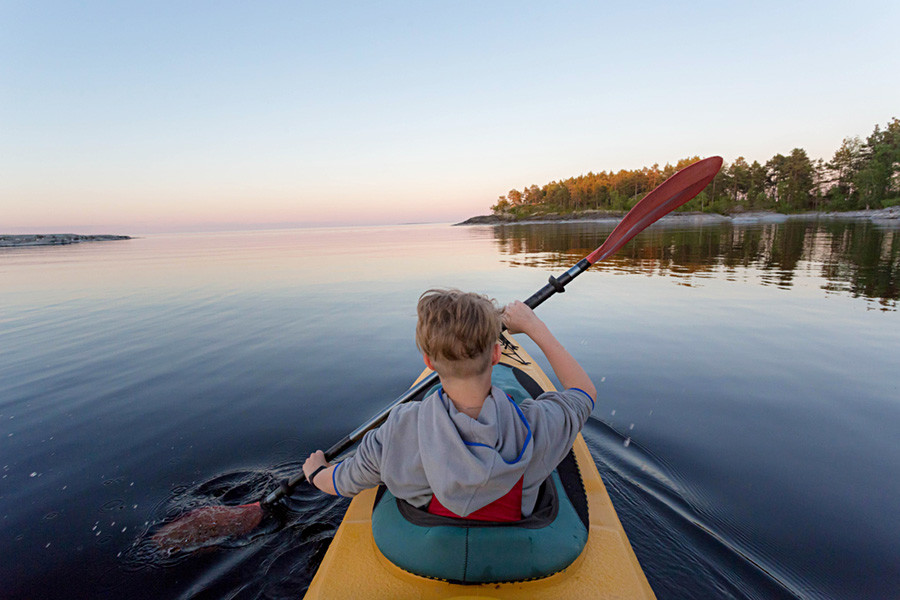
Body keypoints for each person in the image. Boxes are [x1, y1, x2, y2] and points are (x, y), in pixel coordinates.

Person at [302, 289, 595, 520]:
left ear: (429, 362)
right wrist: (534, 326)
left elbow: (341, 483)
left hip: (430, 541)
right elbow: (584, 392)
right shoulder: (539, 423)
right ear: (496, 354)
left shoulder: (399, 430)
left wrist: (317, 472)